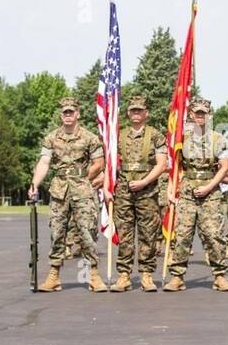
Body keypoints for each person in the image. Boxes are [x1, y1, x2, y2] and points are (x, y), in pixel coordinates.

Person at [30, 97, 108, 292]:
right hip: (59, 191)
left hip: (83, 191)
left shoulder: (89, 138)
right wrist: (35, 184)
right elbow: (44, 162)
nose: (67, 115)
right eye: (65, 112)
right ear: (61, 115)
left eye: (71, 112)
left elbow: (99, 163)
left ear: (77, 114)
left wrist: (84, 178)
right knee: (57, 233)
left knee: (87, 233)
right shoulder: (51, 138)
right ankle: (54, 276)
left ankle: (94, 275)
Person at [162, 97, 228, 292]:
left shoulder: (218, 139)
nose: (200, 116)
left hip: (210, 193)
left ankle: (219, 276)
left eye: (204, 113)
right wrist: (171, 188)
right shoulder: (181, 138)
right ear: (191, 115)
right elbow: (175, 165)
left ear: (209, 115)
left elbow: (225, 167)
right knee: (183, 235)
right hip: (187, 193)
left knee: (213, 235)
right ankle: (177, 276)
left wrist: (210, 186)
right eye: (197, 113)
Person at [111, 96, 169, 292]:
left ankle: (146, 274)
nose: (136, 113)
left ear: (146, 113)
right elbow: (110, 164)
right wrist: (106, 187)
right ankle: (124, 275)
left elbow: (161, 164)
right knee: (125, 234)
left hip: (147, 191)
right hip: (123, 191)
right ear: (128, 113)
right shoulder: (118, 135)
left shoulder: (155, 135)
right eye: (133, 110)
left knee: (148, 234)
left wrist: (144, 181)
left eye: (140, 110)